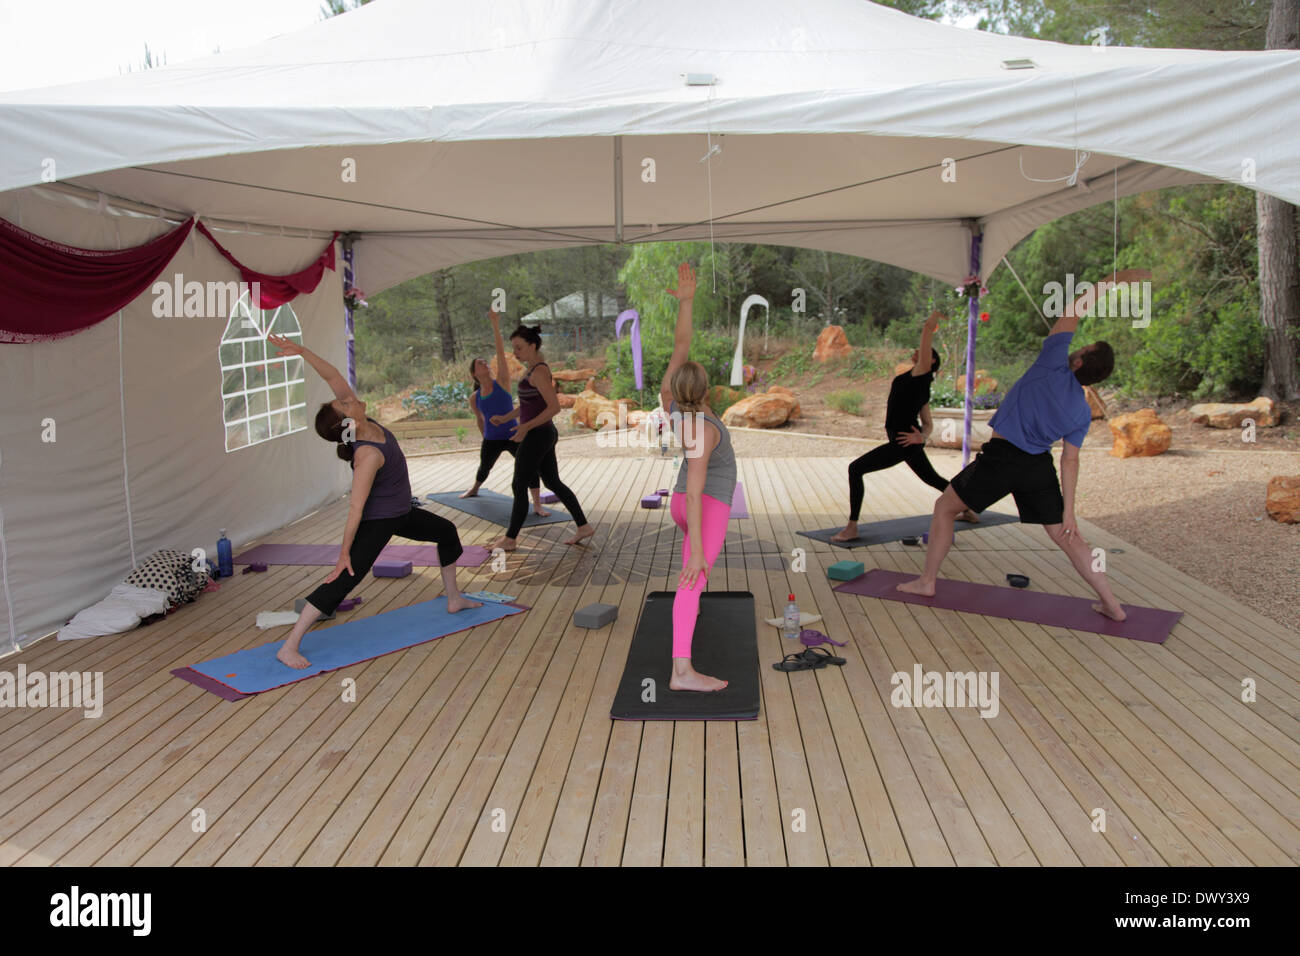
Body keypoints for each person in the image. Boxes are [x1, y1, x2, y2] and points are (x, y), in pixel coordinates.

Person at [897, 269, 1152, 623]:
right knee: (1068, 537)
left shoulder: (1052, 363)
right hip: (1038, 468)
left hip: (1001, 461)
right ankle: (1112, 604)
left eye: (1080, 350)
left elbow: (1075, 309)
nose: (1076, 348)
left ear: (1077, 361)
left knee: (944, 508)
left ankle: (927, 582)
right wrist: (1069, 513)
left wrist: (1115, 279)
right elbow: (1070, 460)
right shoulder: (1081, 410)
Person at [267, 333, 481, 669]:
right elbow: (355, 507)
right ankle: (289, 645)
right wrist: (342, 555)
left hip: (402, 512)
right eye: (346, 404)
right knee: (345, 579)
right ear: (348, 422)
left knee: (447, 531)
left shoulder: (359, 423)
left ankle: (454, 599)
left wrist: (303, 351)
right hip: (379, 521)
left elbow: (332, 375)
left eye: (346, 399)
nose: (350, 398)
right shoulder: (366, 454)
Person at [831, 310, 976, 542]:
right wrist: (923, 438)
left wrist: (936, 316)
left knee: (855, 469)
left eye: (924, 353)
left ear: (930, 362)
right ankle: (969, 510)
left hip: (901, 443)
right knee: (933, 479)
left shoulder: (921, 375)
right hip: (909, 442)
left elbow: (927, 331)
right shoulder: (919, 384)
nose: (917, 351)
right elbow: (927, 424)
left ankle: (852, 527)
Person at [660, 262, 738, 692]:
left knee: (695, 574)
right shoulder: (705, 429)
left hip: (684, 506)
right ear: (706, 387)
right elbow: (695, 488)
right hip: (701, 504)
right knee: (693, 578)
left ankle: (690, 611)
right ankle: (682, 673)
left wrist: (687, 302)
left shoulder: (671, 403)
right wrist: (695, 557)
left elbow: (681, 342)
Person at [490, 322, 595, 551]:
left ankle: (510, 539)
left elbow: (554, 407)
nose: (515, 353)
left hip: (539, 435)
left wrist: (526, 427)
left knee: (519, 484)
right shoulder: (531, 370)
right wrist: (506, 417)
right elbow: (528, 405)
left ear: (532, 345)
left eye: (519, 348)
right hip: (541, 433)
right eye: (514, 348)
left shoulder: (538, 371)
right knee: (552, 482)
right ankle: (583, 526)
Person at [460, 309, 549, 516]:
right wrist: (485, 436)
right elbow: (480, 420)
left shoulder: (502, 382)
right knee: (485, 466)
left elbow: (501, 353)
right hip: (492, 438)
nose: (485, 363)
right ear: (474, 373)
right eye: (480, 363)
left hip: (513, 434)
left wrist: (495, 324)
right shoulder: (475, 397)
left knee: (529, 468)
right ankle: (474, 488)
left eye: (485, 361)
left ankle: (537, 504)